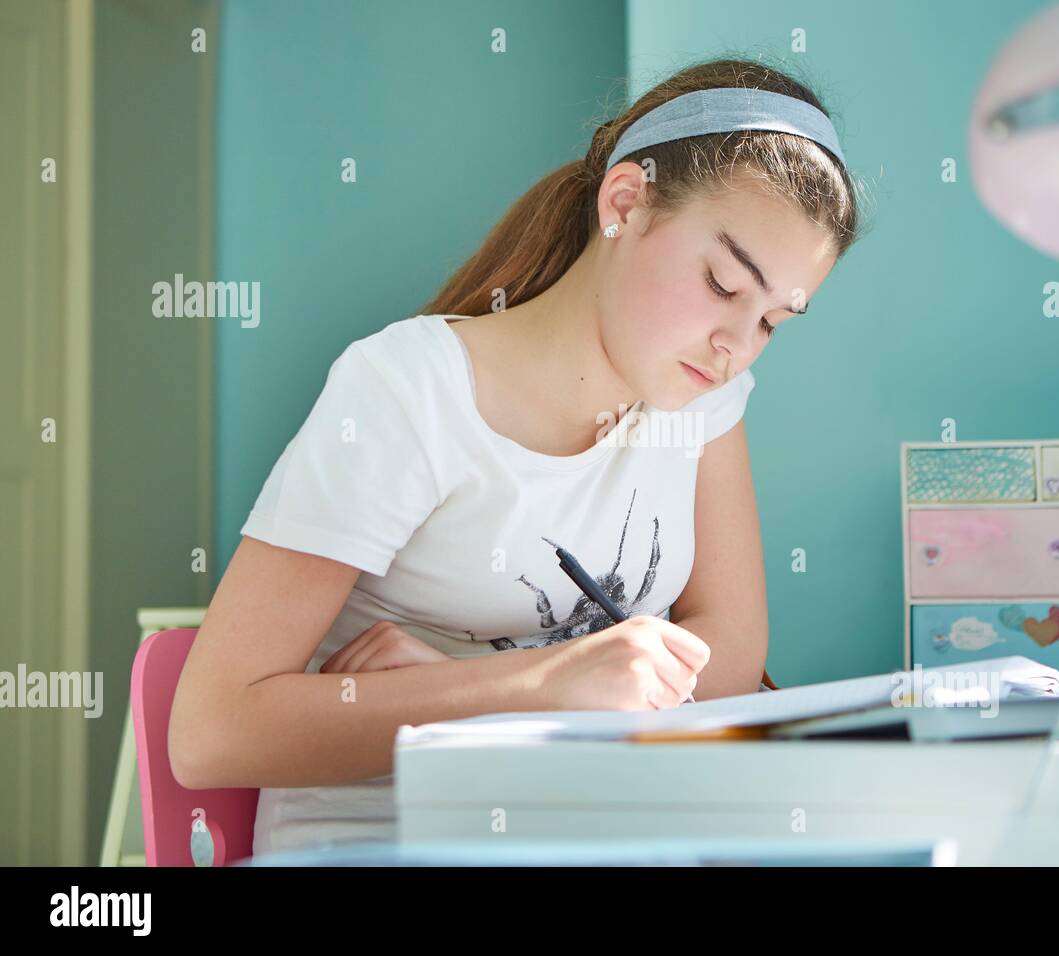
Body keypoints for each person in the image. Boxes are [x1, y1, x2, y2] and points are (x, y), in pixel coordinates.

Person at [169, 57, 867, 857]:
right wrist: (539, 686)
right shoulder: (406, 391)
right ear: (626, 203)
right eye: (721, 283)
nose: (738, 346)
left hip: (583, 832)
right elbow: (212, 731)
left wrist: (476, 696)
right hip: (383, 844)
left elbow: (732, 657)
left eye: (775, 321)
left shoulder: (701, 400)